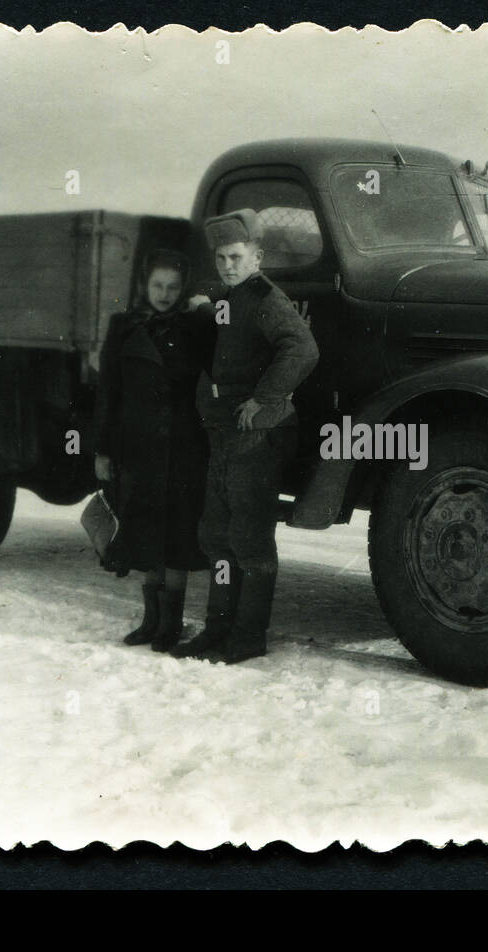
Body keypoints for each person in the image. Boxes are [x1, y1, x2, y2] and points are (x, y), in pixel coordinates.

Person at [171, 208, 319, 664]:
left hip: (256, 437)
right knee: (217, 535)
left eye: (236, 256)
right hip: (225, 434)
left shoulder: (266, 298)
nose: (228, 265)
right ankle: (218, 629)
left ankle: (249, 636)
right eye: (220, 258)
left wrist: (264, 399)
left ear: (258, 256)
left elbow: (303, 348)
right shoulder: (231, 298)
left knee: (250, 538)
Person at [93, 249, 211, 650]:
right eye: (158, 285)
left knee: (177, 534)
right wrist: (103, 451)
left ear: (183, 290)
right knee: (143, 530)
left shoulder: (195, 326)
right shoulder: (124, 326)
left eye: (173, 287)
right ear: (145, 285)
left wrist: (207, 310)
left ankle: (170, 626)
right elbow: (108, 392)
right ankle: (150, 621)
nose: (164, 294)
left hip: (182, 447)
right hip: (138, 447)